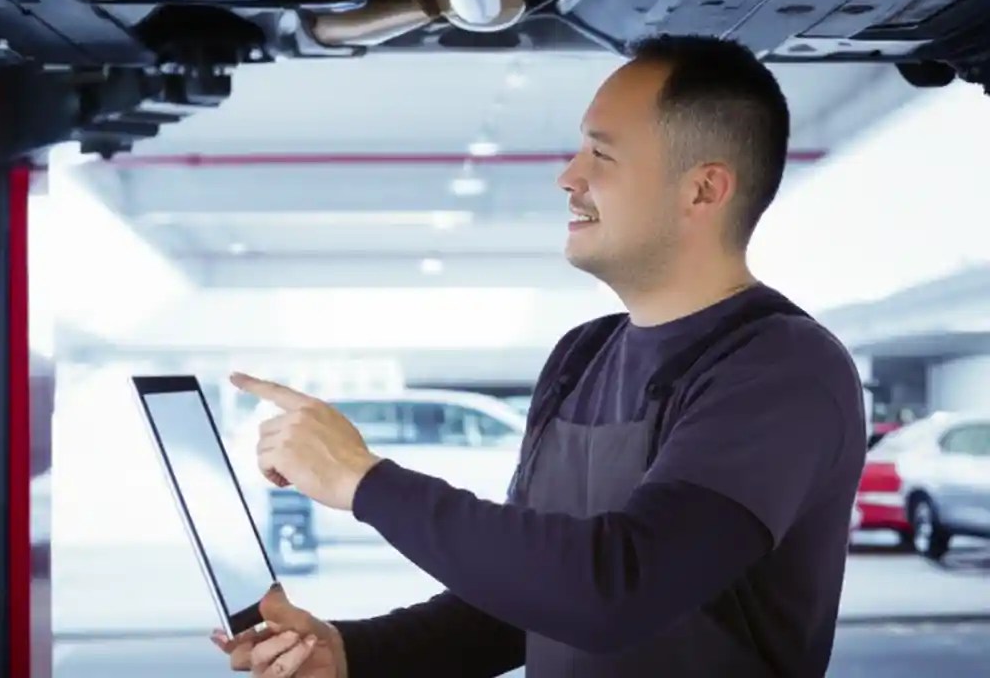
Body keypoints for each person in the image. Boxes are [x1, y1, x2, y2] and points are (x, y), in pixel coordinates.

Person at [214, 34, 867, 678]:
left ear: (702, 190)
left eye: (601, 155)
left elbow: (617, 591)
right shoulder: (582, 356)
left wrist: (363, 481)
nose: (568, 176)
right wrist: (351, 653)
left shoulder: (783, 369)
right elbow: (516, 609)